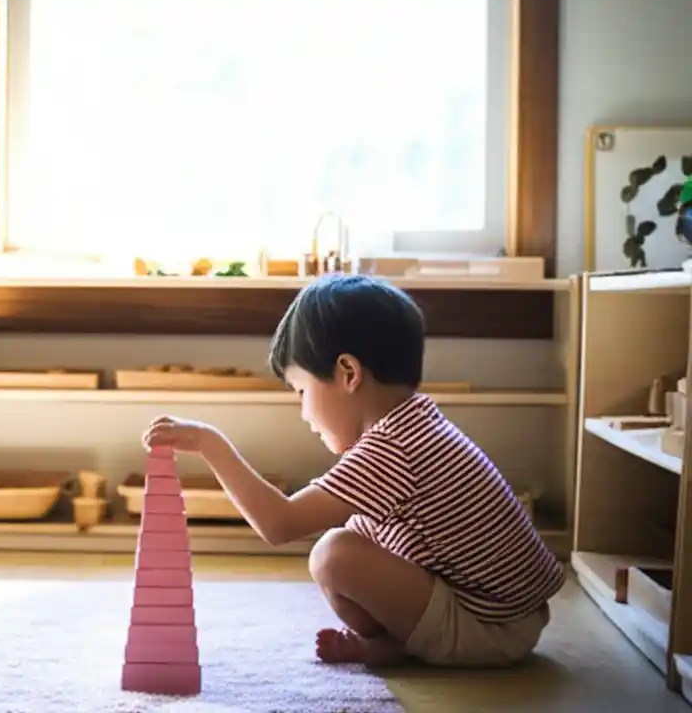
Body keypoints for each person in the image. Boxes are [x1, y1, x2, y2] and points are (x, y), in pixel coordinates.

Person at [141, 274, 564, 667]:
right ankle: (397, 640)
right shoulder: (415, 423)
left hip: (489, 627)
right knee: (358, 529)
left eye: (302, 391)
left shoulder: (394, 446)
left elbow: (279, 523)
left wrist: (209, 443)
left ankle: (396, 643)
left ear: (348, 373)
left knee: (333, 554)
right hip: (509, 614)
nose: (303, 412)